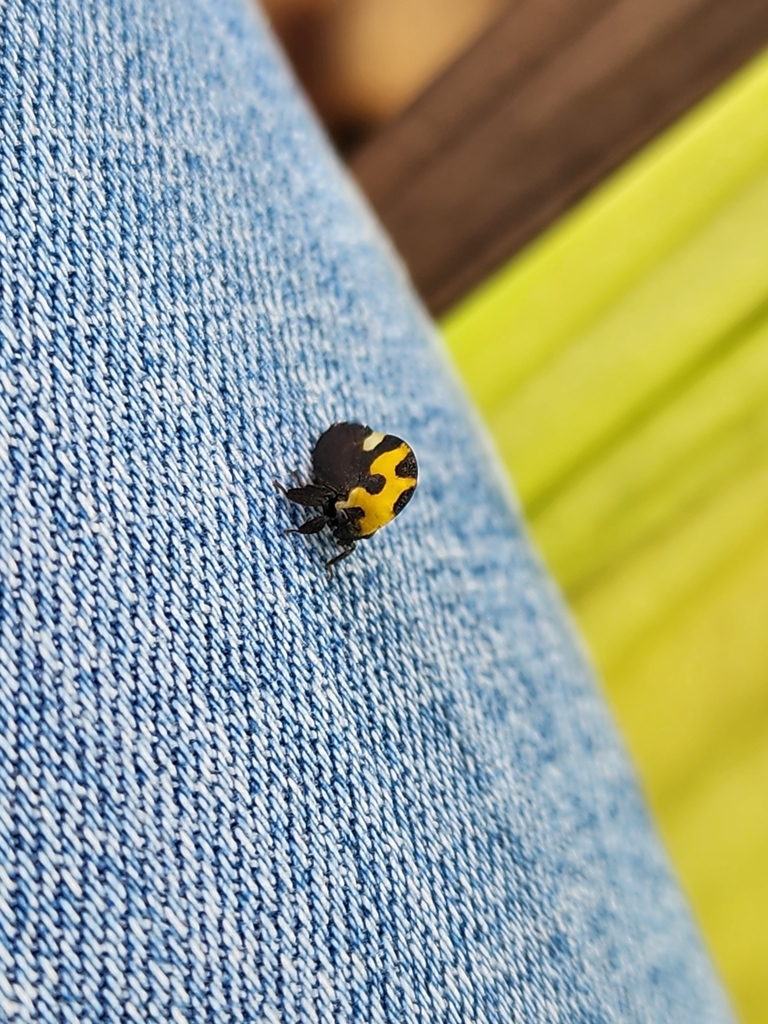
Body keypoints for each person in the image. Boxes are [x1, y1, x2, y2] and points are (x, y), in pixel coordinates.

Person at [0, 0, 733, 1020]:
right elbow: (337, 479)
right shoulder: (347, 484)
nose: (326, 526)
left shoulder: (352, 490)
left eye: (339, 517)